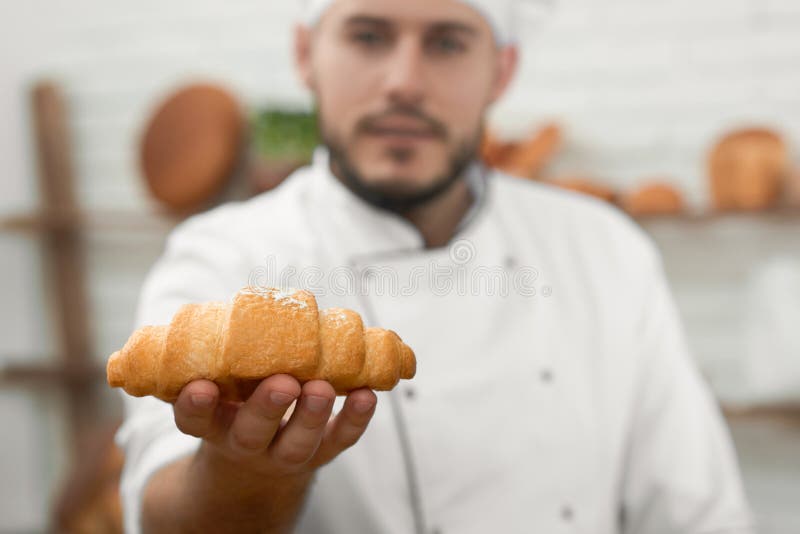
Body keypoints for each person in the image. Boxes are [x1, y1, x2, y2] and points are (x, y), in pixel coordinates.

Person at [116, 1, 756, 533]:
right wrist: (245, 474)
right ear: (306, 54)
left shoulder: (607, 250)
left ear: (501, 71)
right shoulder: (221, 254)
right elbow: (163, 515)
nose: (404, 82)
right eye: (368, 36)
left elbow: (700, 514)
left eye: (447, 43)